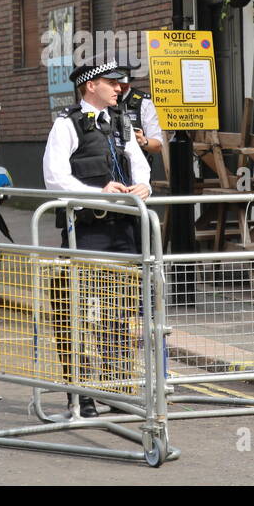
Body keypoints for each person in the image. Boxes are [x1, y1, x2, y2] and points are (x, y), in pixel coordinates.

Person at [42, 61, 152, 417]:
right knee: (76, 309)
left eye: (120, 84)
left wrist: (144, 185)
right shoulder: (67, 124)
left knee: (119, 308)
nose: (119, 88)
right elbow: (54, 178)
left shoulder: (121, 121)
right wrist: (99, 192)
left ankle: (116, 385)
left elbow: (140, 163)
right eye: (112, 82)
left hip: (124, 229)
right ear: (90, 86)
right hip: (87, 229)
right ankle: (80, 392)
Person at [114, 66, 163, 158]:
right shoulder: (101, 100)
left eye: (123, 82)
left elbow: (157, 145)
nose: (119, 87)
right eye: (114, 82)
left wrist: (143, 141)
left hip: (136, 165)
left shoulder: (144, 102)